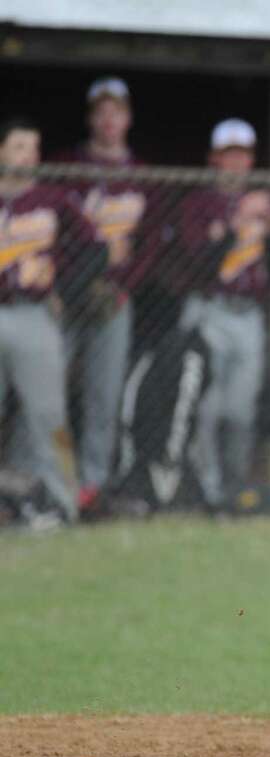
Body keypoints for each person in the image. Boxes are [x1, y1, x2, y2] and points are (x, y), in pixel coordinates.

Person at [52, 77, 151, 513]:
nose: (110, 120)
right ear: (92, 117)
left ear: (128, 119)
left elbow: (151, 244)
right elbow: (50, 233)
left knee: (102, 395)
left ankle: (93, 484)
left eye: (118, 112)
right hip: (67, 296)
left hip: (115, 299)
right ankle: (49, 478)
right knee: (47, 391)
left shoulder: (143, 177)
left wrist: (124, 286)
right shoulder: (65, 167)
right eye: (102, 111)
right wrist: (68, 284)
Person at [0, 117, 106, 523]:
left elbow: (96, 249)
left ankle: (62, 505)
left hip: (34, 316)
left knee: (49, 416)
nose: (29, 155)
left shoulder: (53, 199)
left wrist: (65, 285)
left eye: (34, 147)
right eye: (20, 146)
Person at [177, 118, 270, 509]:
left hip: (248, 315)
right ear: (215, 159)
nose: (236, 163)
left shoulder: (262, 202)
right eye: (229, 155)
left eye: (243, 155)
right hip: (209, 310)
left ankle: (235, 488)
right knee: (206, 409)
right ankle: (209, 489)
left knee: (240, 411)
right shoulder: (199, 204)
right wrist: (236, 224)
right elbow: (198, 266)